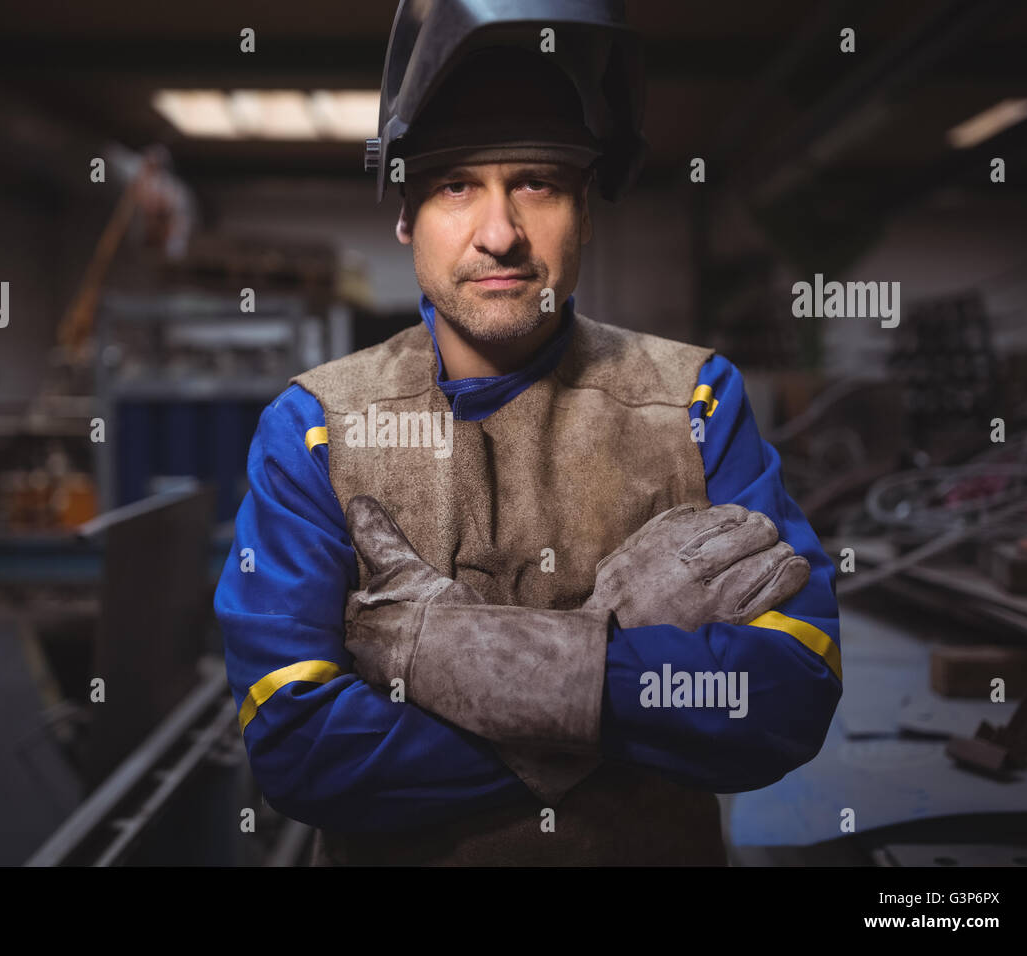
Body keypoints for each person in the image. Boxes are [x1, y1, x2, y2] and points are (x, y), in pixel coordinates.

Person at [214, 0, 841, 866]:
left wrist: (472, 668)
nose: (500, 232)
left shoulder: (694, 400)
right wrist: (610, 657)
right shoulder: (316, 426)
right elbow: (299, 747)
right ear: (406, 218)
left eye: (537, 182)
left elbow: (787, 694)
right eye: (454, 185)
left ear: (585, 207)